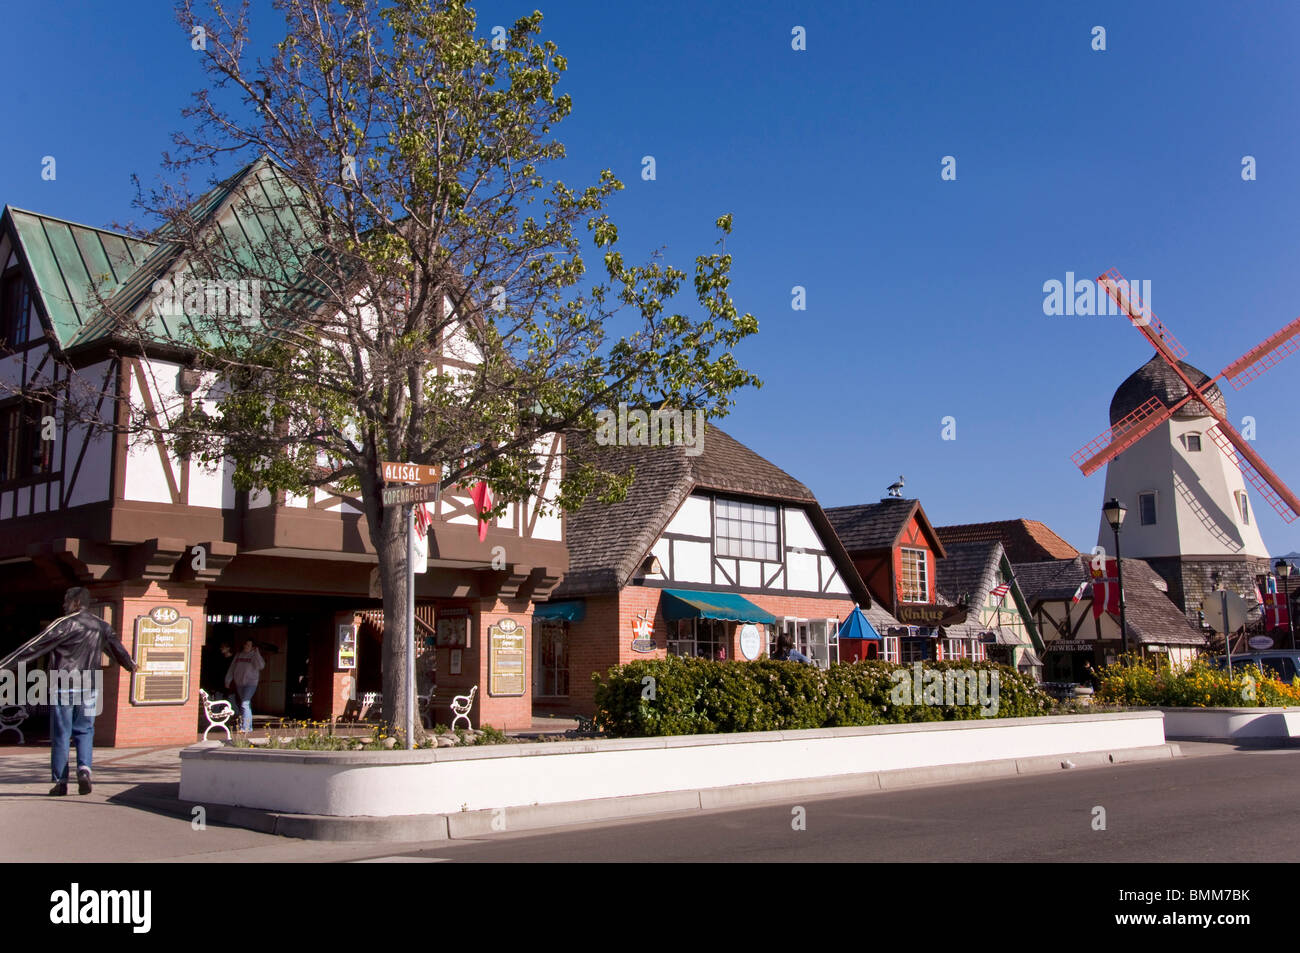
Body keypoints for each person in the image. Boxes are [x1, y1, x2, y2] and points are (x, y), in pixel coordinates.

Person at [0, 587, 135, 796]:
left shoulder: (64, 624)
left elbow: (33, 647)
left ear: (75, 602)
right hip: (90, 684)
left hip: (65, 683)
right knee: (85, 730)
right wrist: (131, 665)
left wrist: (5, 665)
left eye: (66, 601)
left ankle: (61, 781)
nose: (63, 605)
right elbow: (118, 649)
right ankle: (84, 769)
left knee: (62, 733)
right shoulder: (102, 626)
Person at [225, 640, 265, 732]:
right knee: (246, 704)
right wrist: (228, 679)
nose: (246, 646)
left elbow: (261, 666)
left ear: (253, 647)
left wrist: (257, 653)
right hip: (239, 683)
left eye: (248, 645)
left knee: (245, 703)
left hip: (251, 683)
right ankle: (248, 726)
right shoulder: (239, 655)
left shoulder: (254, 655)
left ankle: (245, 727)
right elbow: (232, 668)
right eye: (245, 644)